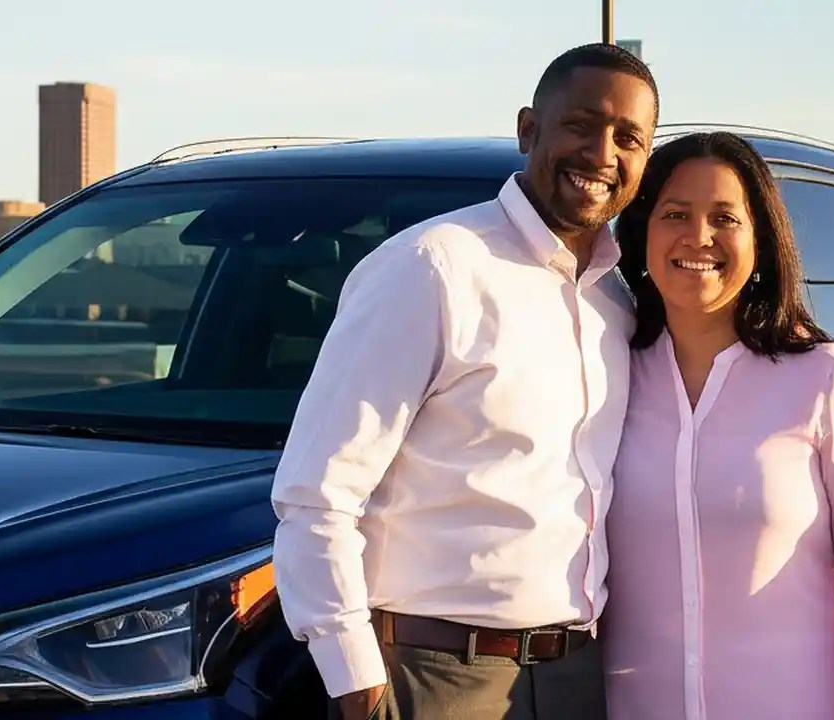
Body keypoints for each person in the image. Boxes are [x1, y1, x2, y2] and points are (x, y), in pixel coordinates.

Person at [270, 43, 659, 720]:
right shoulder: (432, 269)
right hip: (433, 678)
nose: (603, 153)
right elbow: (317, 494)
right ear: (528, 129)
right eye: (580, 125)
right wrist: (357, 683)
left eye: (629, 138)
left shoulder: (617, 304)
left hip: (579, 678)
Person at [603, 131, 834, 719]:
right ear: (640, 231)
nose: (698, 237)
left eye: (724, 217)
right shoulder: (605, 372)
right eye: (674, 214)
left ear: (760, 239)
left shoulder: (825, 379)